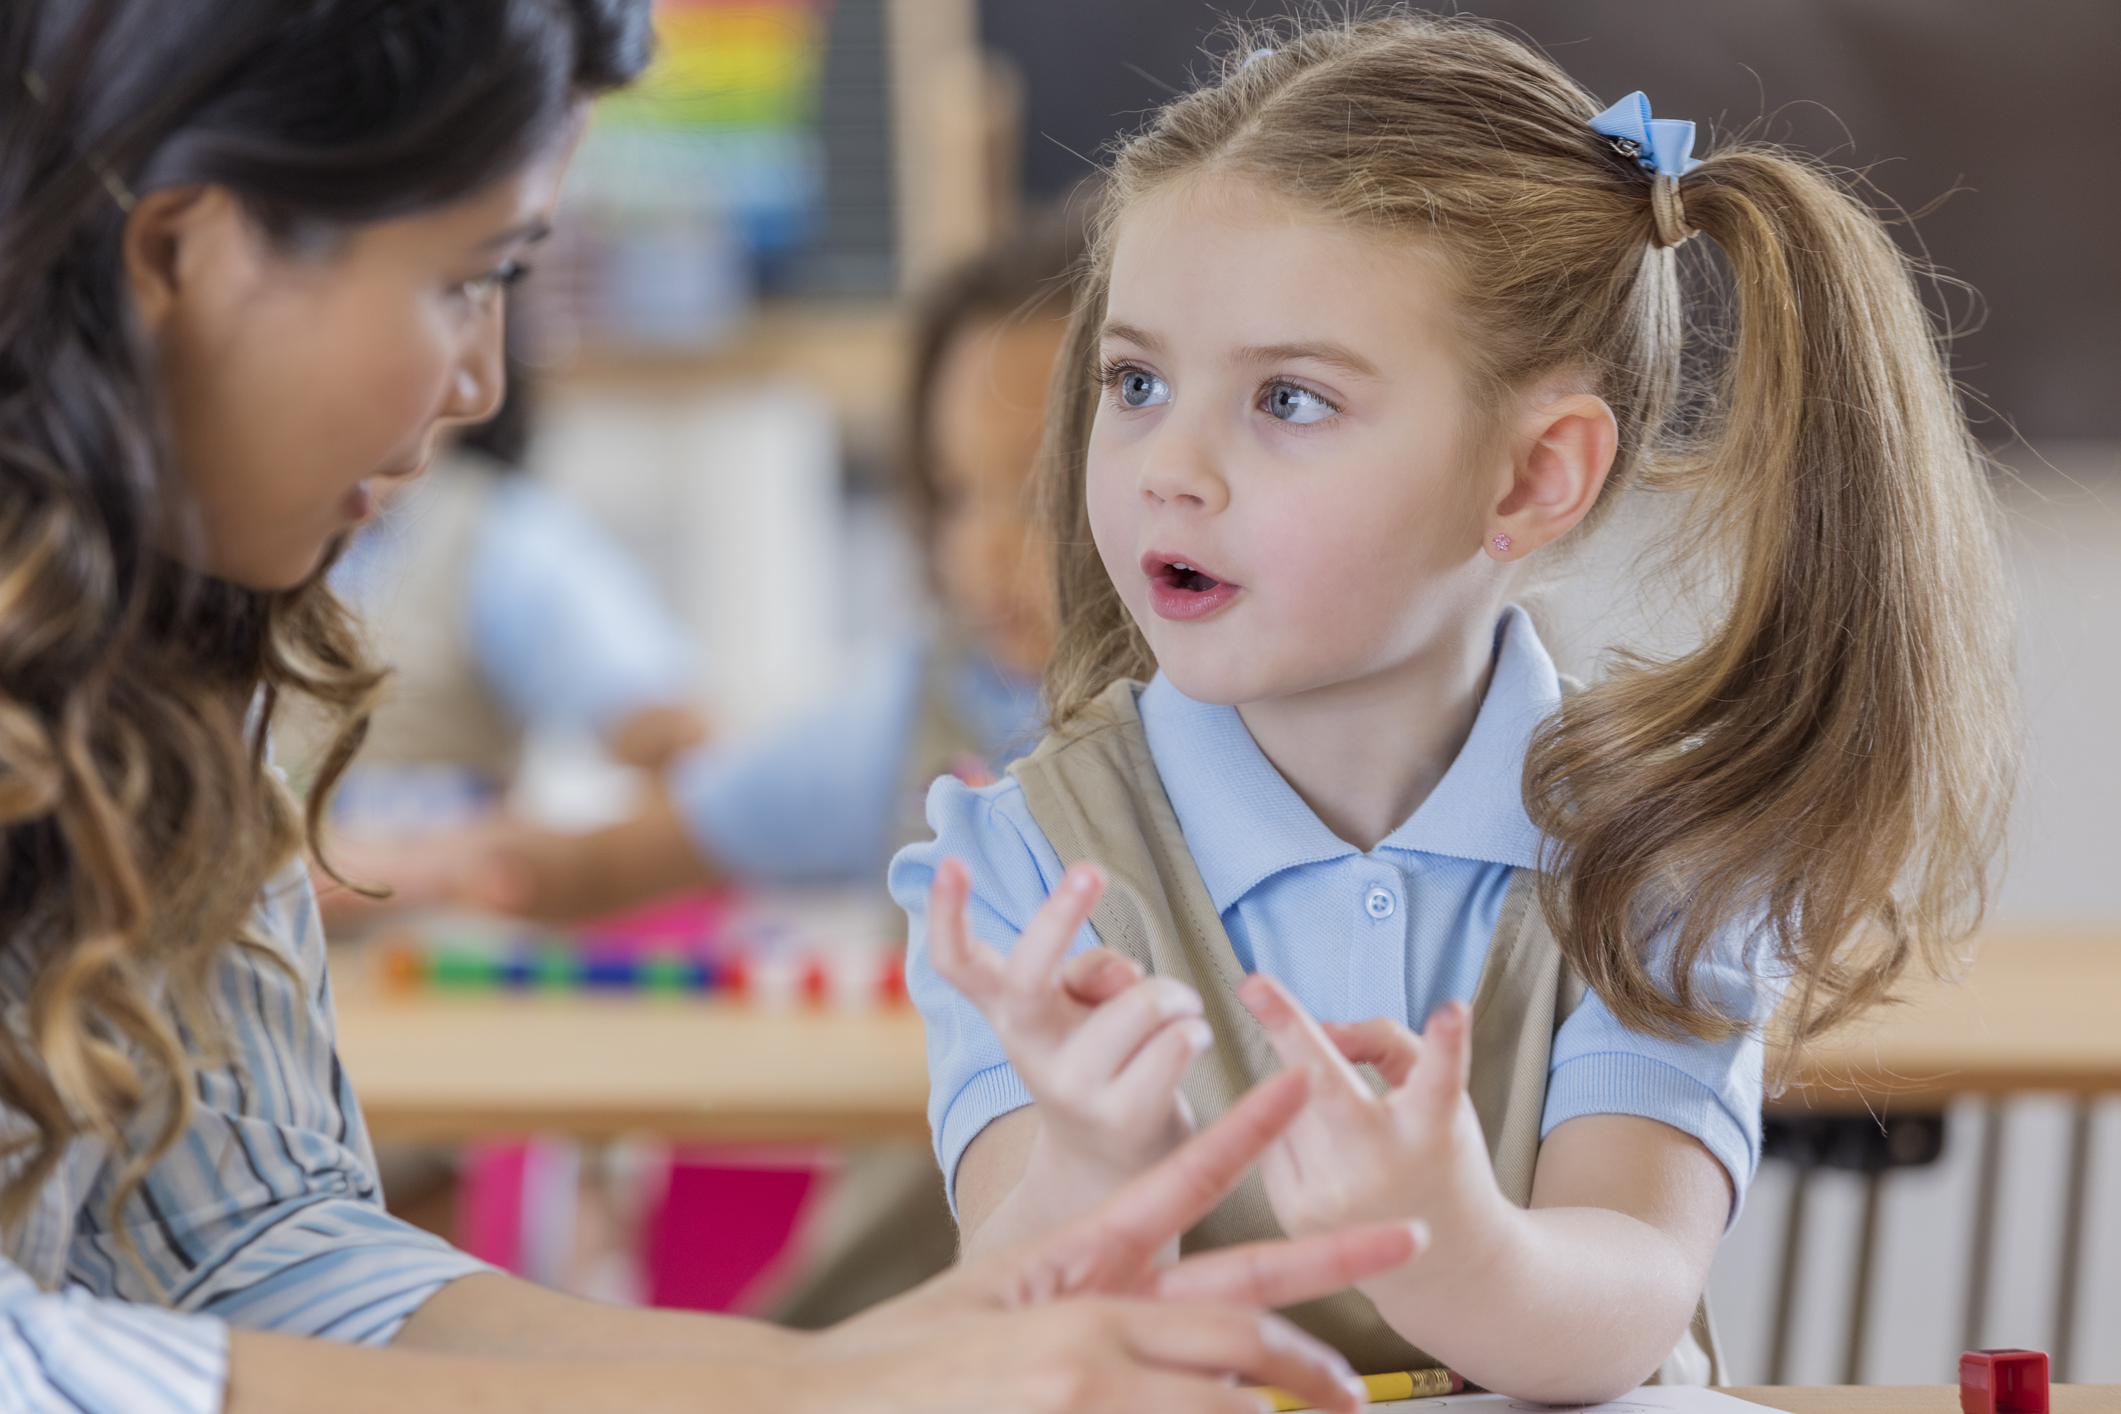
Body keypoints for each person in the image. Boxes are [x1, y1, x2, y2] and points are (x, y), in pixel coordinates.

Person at [0, 3, 1427, 1409]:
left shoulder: (167, 677)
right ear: (178, 251)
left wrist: (845, 1371)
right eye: (466, 278)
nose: (481, 381)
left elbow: (256, 1242)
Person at [897, 13, 2016, 1405]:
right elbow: (1022, 1342)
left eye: (1289, 398)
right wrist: (1089, 1163)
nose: (1167, 466)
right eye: (1137, 381)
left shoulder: (1654, 860)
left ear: (1533, 478)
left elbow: (1624, 1296)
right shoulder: (1018, 867)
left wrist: (1455, 1241)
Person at [450, 213, 1084, 924]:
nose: (983, 551)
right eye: (955, 493)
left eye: (1039, 496)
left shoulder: (1183, 726)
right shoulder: (911, 711)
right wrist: (403, 866)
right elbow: (606, 862)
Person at [288, 333, 708, 925]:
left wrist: (436, 868)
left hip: (425, 953)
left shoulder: (506, 541)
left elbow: (691, 757)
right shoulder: (219, 534)